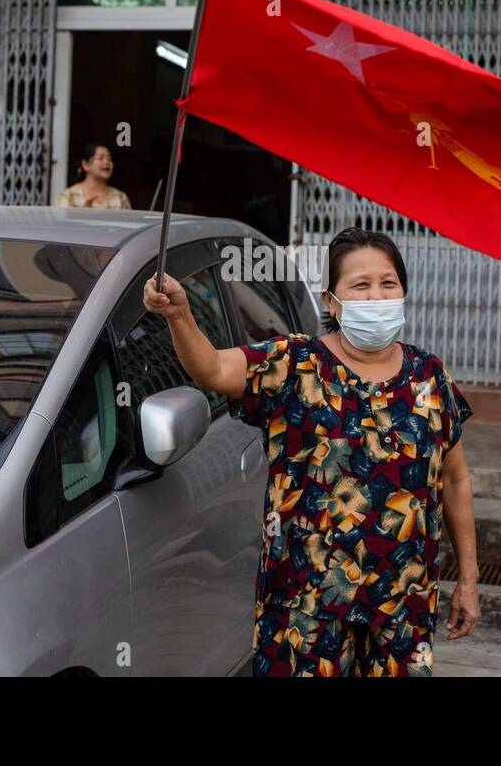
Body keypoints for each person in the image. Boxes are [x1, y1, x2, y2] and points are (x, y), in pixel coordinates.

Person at [143, 226, 480, 677]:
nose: (376, 296)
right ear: (331, 301)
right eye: (360, 285)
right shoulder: (294, 364)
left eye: (388, 284)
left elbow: (455, 480)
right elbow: (213, 369)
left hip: (402, 604)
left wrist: (469, 581)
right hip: (305, 608)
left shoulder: (430, 377)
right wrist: (181, 315)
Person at [56, 143, 132, 209]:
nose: (106, 162)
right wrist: (82, 214)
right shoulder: (69, 195)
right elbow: (62, 225)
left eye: (109, 159)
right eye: (100, 158)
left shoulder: (120, 197)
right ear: (85, 164)